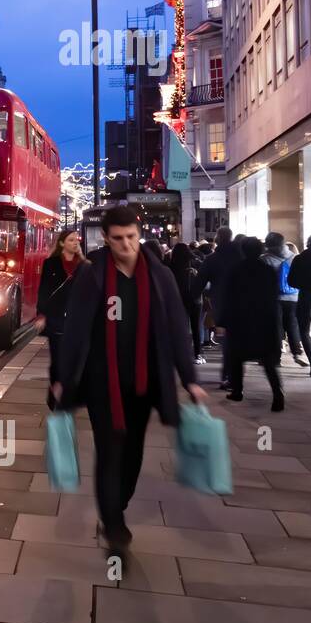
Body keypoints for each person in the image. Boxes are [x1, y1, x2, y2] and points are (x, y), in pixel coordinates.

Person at [51, 205, 206, 554]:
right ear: (106, 239)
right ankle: (114, 525)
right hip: (102, 384)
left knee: (133, 452)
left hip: (145, 382)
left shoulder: (159, 275)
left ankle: (115, 506)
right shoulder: (91, 276)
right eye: (118, 239)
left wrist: (190, 378)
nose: (126, 245)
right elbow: (75, 330)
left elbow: (177, 329)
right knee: (110, 451)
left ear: (139, 235)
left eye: (131, 238)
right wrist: (64, 377)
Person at [226, 236, 287, 411]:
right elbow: (274, 295)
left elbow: (230, 297)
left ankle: (237, 391)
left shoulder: (236, 270)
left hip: (242, 320)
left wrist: (226, 319)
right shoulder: (267, 270)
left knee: (237, 357)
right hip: (264, 320)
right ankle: (277, 394)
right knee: (268, 361)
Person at [34, 228, 88, 406]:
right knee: (57, 358)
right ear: (62, 243)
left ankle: (66, 388)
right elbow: (44, 290)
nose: (75, 243)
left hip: (77, 320)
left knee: (74, 359)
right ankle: (55, 387)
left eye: (76, 240)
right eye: (71, 240)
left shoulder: (85, 265)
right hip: (56, 318)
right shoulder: (51, 263)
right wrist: (41, 314)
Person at [192, 226, 242, 389]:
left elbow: (199, 283)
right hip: (243, 303)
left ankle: (229, 375)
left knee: (228, 339)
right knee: (236, 339)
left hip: (222, 303)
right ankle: (232, 375)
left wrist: (192, 296)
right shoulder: (241, 256)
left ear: (218, 239)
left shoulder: (213, 259)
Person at [263, 232, 311, 368]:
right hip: (293, 297)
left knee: (277, 326)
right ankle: (296, 353)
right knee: (292, 325)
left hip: (274, 298)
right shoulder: (294, 257)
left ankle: (277, 358)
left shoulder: (265, 259)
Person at [170, 243, 205, 364]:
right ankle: (198, 354)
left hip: (178, 299)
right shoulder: (196, 261)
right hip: (195, 298)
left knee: (181, 327)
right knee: (196, 327)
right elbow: (204, 277)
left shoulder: (172, 265)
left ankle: (180, 354)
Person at [287, 234, 311, 378]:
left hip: (305, 297)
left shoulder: (299, 259)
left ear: (308, 243)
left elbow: (291, 281)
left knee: (304, 331)